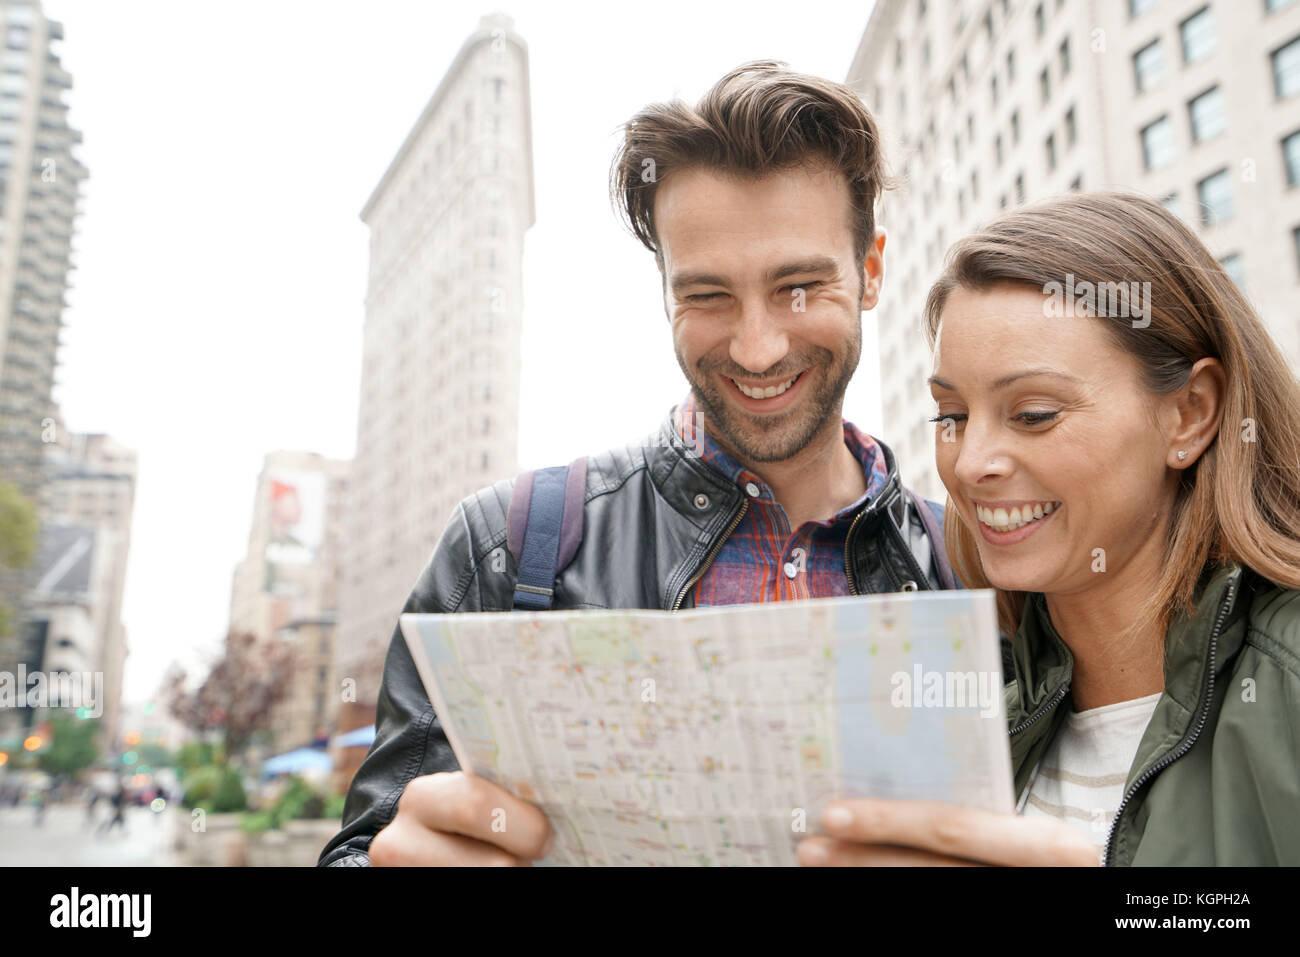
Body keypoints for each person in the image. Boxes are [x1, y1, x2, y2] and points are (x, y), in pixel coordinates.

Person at [319, 61, 1028, 867]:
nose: (758, 347)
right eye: (708, 296)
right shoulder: (505, 547)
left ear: (870, 272)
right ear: (664, 294)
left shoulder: (979, 567)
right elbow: (364, 846)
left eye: (798, 287)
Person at [798, 191, 1300, 866]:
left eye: (1033, 413)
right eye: (951, 416)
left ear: (1190, 413)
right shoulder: (965, 736)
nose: (971, 464)